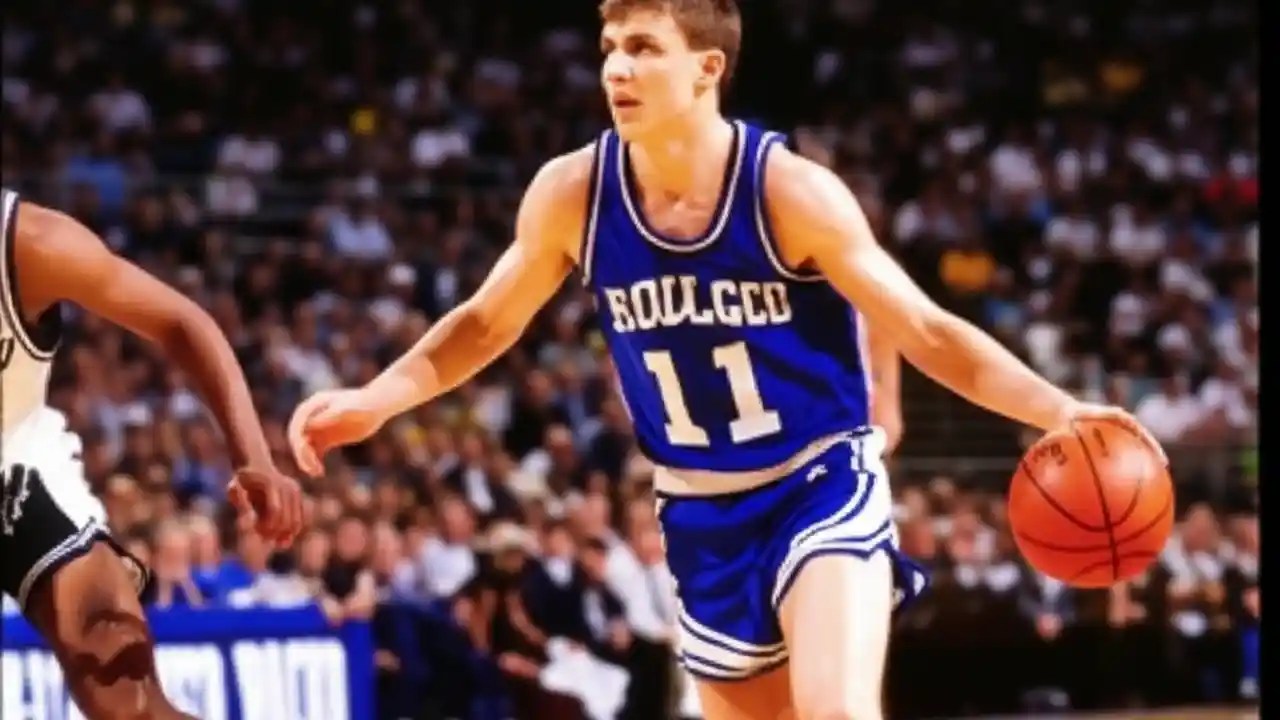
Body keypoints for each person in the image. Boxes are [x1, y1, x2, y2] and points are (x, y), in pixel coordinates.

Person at [286, 2, 1164, 718]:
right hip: (700, 512)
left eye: (642, 48)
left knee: (837, 712)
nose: (615, 69)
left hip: (820, 478)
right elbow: (483, 323)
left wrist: (1057, 409)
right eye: (607, 48)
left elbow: (929, 330)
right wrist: (379, 398)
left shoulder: (789, 192)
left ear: (707, 68)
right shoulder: (572, 194)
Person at [0, 189, 305, 719]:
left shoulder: (32, 243)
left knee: (121, 685)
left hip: (14, 466)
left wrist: (252, 454)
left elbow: (180, 322)